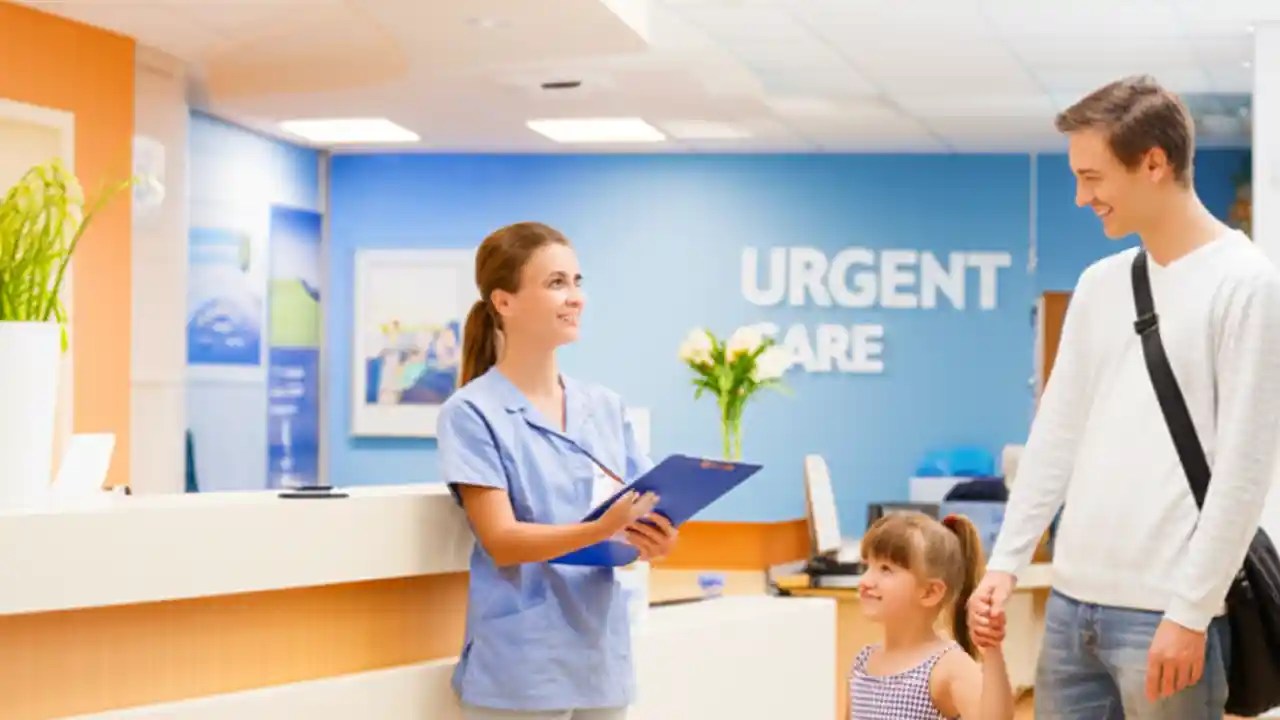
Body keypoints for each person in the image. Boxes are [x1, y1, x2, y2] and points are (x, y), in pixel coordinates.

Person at [968, 75, 1280, 718]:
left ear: (1154, 163)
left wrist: (1192, 612)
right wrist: (1005, 564)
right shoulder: (1100, 285)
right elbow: (1055, 434)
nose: (1082, 197)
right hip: (1069, 609)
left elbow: (1244, 473)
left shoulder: (1247, 286)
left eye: (1093, 177)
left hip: (1166, 616)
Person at [437, 221, 681, 720]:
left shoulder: (605, 407)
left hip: (599, 658)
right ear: (504, 302)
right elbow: (501, 539)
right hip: (521, 666)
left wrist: (657, 541)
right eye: (556, 284)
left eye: (577, 282)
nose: (575, 298)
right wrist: (600, 529)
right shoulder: (472, 412)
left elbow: (646, 508)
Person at [850, 511, 1015, 720]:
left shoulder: (947, 665)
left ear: (930, 592)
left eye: (885, 569)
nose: (865, 581)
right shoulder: (863, 662)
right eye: (866, 567)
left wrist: (992, 652)